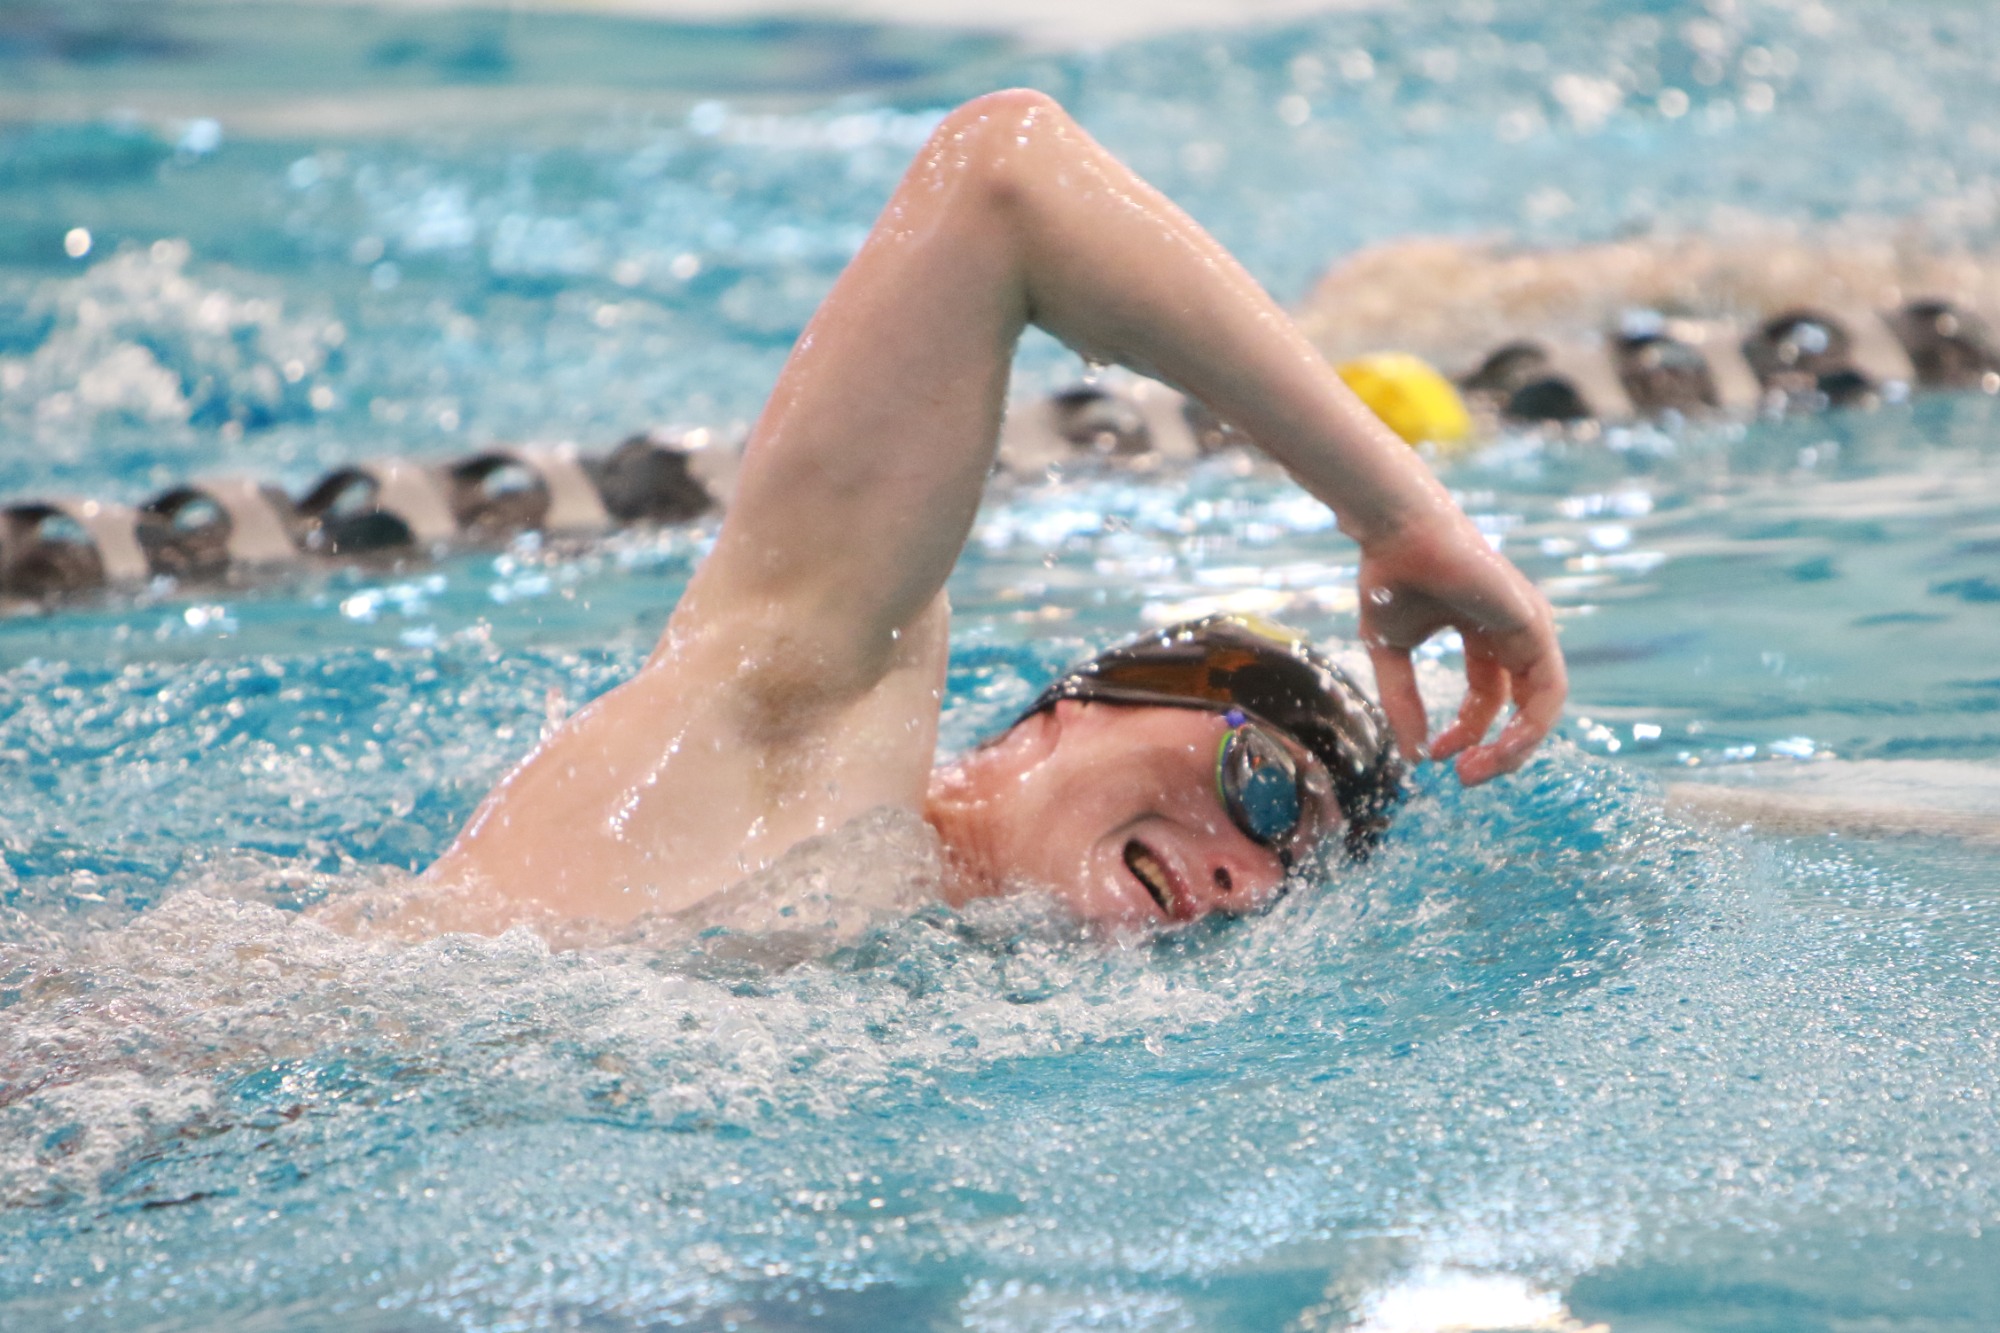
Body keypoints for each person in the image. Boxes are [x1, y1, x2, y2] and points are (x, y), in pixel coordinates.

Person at [415, 89, 1566, 935]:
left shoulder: (935, 982)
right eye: (1262, 792)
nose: (1245, 881)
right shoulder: (808, 716)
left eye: (1285, 878)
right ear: (1073, 709)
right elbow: (1002, 182)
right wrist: (1400, 518)